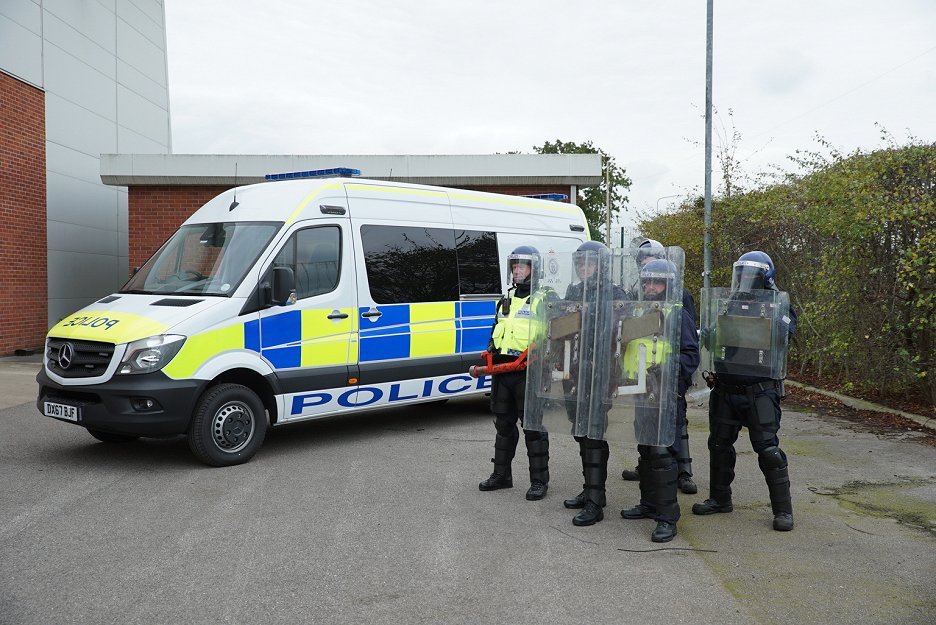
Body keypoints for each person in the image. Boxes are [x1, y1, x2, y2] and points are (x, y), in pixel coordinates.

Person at [693, 251, 798, 531]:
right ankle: (719, 499)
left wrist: (764, 317)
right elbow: (712, 338)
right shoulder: (726, 304)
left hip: (760, 390)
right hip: (726, 387)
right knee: (718, 444)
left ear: (766, 279)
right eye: (741, 275)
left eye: (752, 276)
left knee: (768, 450)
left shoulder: (778, 305)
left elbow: (785, 336)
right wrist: (708, 331)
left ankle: (783, 510)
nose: (745, 281)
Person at [619, 258, 698, 542]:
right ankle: (649, 504)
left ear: (669, 284)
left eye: (657, 281)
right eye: (647, 281)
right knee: (646, 449)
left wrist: (666, 371)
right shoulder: (637, 311)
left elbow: (691, 356)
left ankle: (667, 518)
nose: (651, 286)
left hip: (664, 392)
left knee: (663, 454)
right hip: (640, 391)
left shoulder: (678, 314)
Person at [561, 241, 628, 526]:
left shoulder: (615, 294)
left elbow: (619, 338)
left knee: (594, 434)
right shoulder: (574, 291)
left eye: (589, 264)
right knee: (580, 431)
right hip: (576, 372)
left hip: (601, 374)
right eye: (580, 264)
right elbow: (565, 327)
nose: (584, 269)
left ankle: (595, 501)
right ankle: (589, 488)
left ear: (602, 266)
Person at [478, 245, 551, 501]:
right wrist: (489, 350)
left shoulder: (545, 299)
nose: (517, 270)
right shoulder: (506, 297)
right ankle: (501, 475)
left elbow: (554, 335)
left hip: (529, 370)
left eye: (522, 266)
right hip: (502, 369)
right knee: (503, 425)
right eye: (514, 266)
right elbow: (496, 329)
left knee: (533, 427)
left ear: (535, 269)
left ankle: (539, 481)